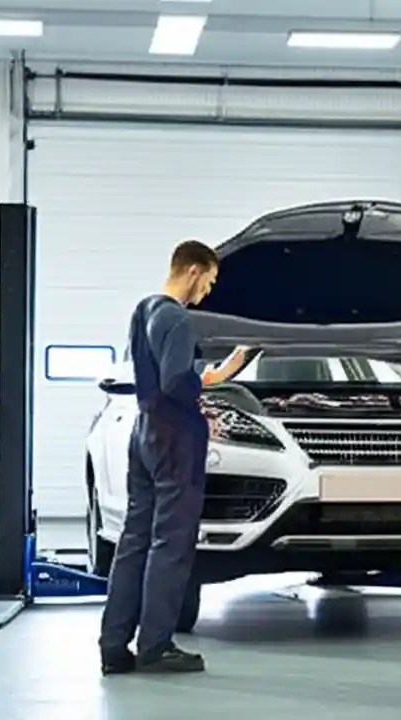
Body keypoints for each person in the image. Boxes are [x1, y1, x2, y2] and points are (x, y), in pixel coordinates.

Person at [99, 239, 249, 675]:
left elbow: (154, 381)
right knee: (171, 544)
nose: (209, 291)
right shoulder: (179, 319)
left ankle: (114, 645)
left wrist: (193, 398)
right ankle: (156, 646)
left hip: (144, 432)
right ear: (194, 271)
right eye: (210, 281)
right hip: (174, 440)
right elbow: (176, 382)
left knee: (134, 541)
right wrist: (215, 379)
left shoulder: (143, 311)